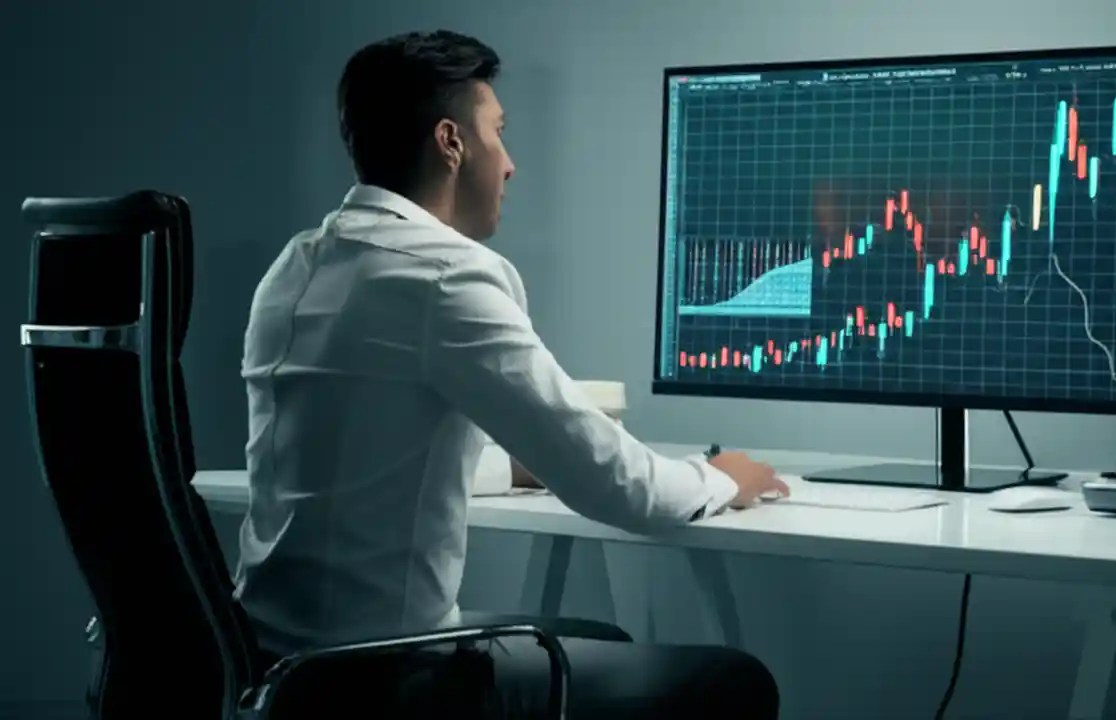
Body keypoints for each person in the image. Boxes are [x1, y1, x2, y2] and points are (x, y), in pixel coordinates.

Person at [233, 28, 789, 718]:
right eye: (498, 132)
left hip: (279, 669)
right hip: (390, 677)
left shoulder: (299, 264)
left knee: (603, 638)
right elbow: (621, 489)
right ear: (451, 142)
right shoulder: (443, 276)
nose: (511, 164)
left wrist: (511, 468)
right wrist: (724, 477)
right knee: (733, 681)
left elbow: (359, 461)